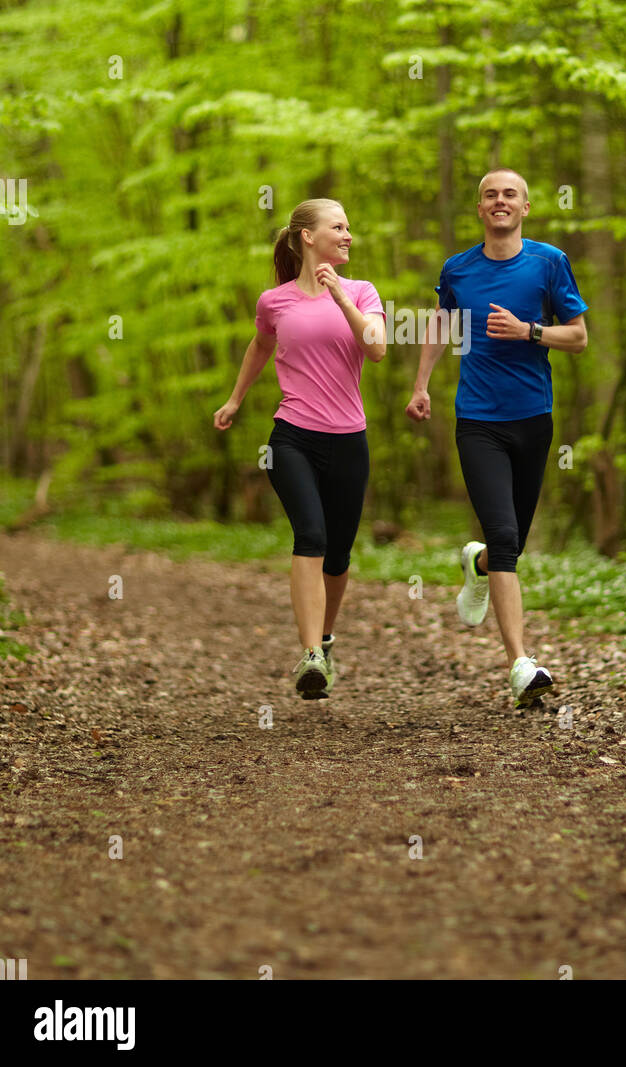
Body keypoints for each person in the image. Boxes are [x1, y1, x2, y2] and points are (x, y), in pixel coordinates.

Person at [405, 169, 588, 708]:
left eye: (510, 194)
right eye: (490, 195)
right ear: (480, 209)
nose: (500, 201)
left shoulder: (549, 262)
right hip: (478, 421)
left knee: (510, 547)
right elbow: (441, 323)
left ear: (525, 207)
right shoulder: (457, 268)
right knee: (506, 538)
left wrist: (529, 331)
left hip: (534, 419)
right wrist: (421, 385)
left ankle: (478, 564)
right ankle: (519, 664)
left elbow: (578, 337)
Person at [214, 198, 386, 699]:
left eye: (349, 226)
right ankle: (310, 654)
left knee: (338, 554)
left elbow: (376, 349)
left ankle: (326, 638)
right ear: (308, 237)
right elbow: (259, 346)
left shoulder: (362, 291)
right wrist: (235, 398)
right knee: (309, 534)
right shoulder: (275, 301)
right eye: (339, 226)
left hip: (350, 438)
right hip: (293, 437)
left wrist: (342, 301)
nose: (349, 234)